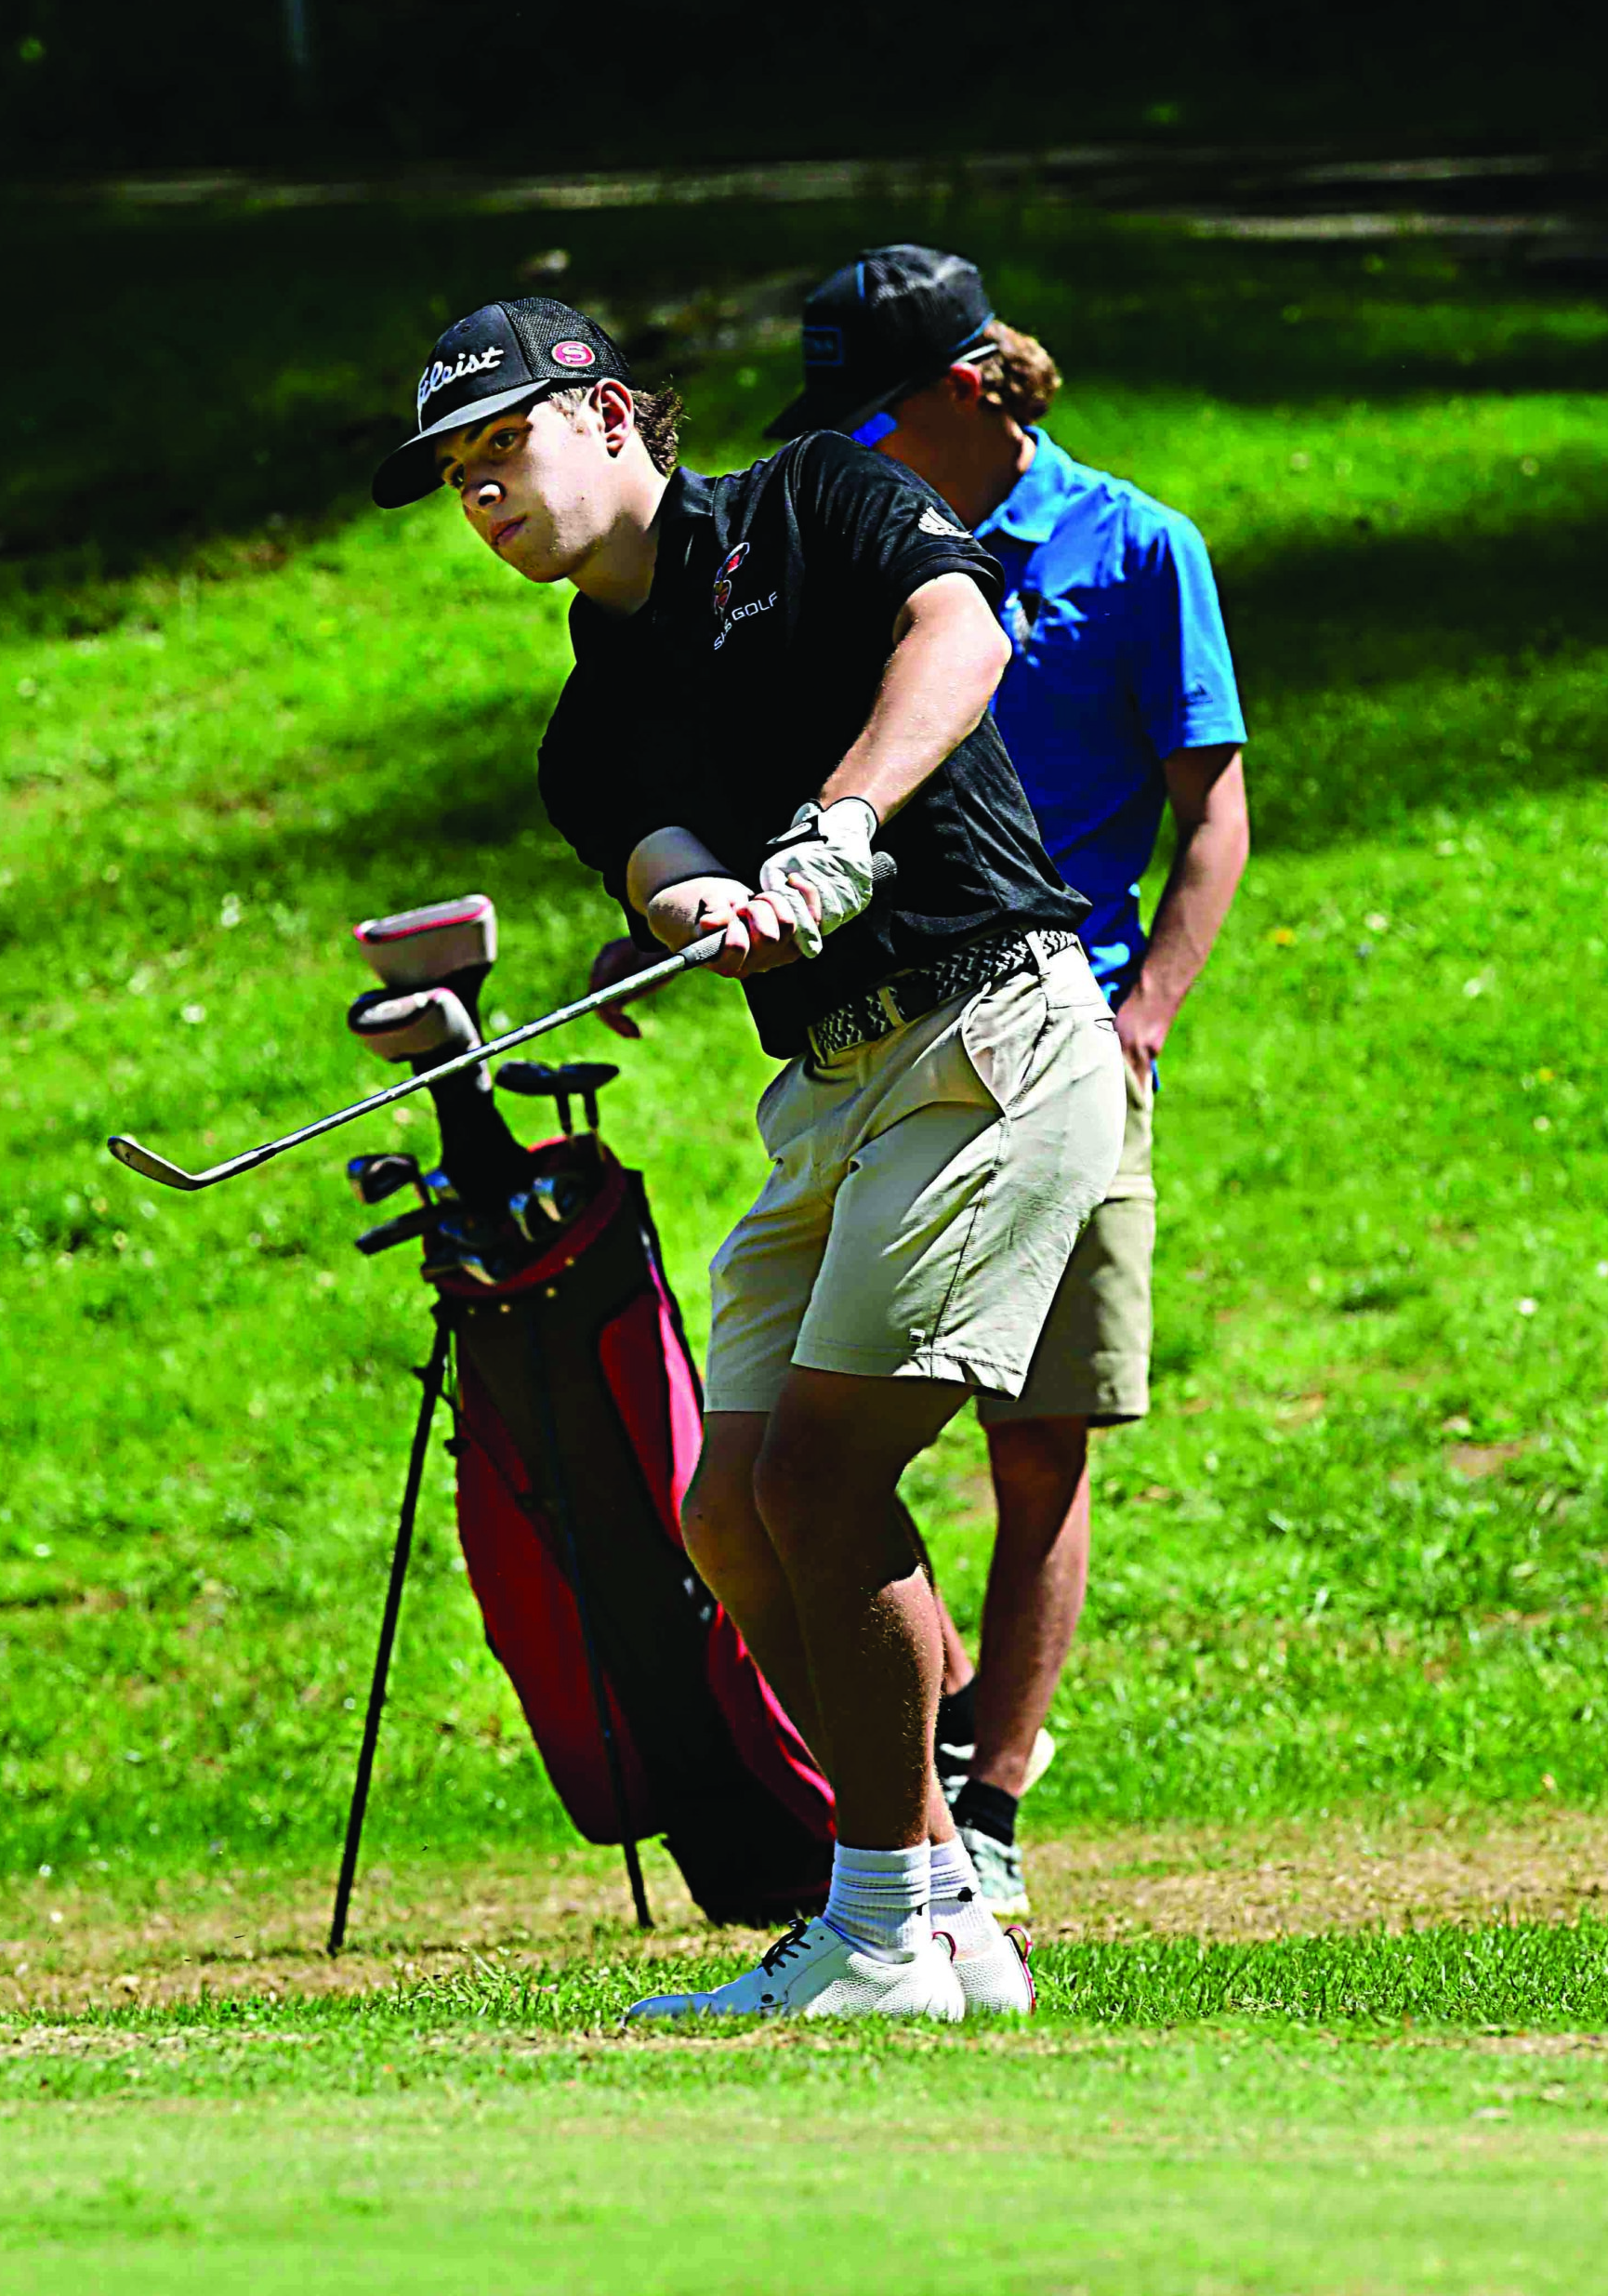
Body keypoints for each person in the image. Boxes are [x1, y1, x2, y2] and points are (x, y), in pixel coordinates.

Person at [371, 295, 1124, 2020]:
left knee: (818, 1481)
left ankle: (879, 1927)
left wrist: (844, 820)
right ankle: (939, 1912)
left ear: (616, 417)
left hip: (985, 1027)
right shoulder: (587, 727)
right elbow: (664, 865)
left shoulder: (817, 504)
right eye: (458, 480)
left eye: (506, 449)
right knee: (732, 1515)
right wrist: (708, 900)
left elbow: (960, 644)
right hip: (829, 1089)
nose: (486, 496)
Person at [761, 244, 1252, 1912]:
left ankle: (992, 1808)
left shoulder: (1133, 548)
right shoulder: (855, 553)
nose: (851, 455)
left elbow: (1213, 809)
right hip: (905, 1044)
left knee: (1040, 1446)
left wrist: (1147, 1018)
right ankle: (925, 1758)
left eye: (874, 419)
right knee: (837, 1446)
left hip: (1077, 1039)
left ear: (968, 388)